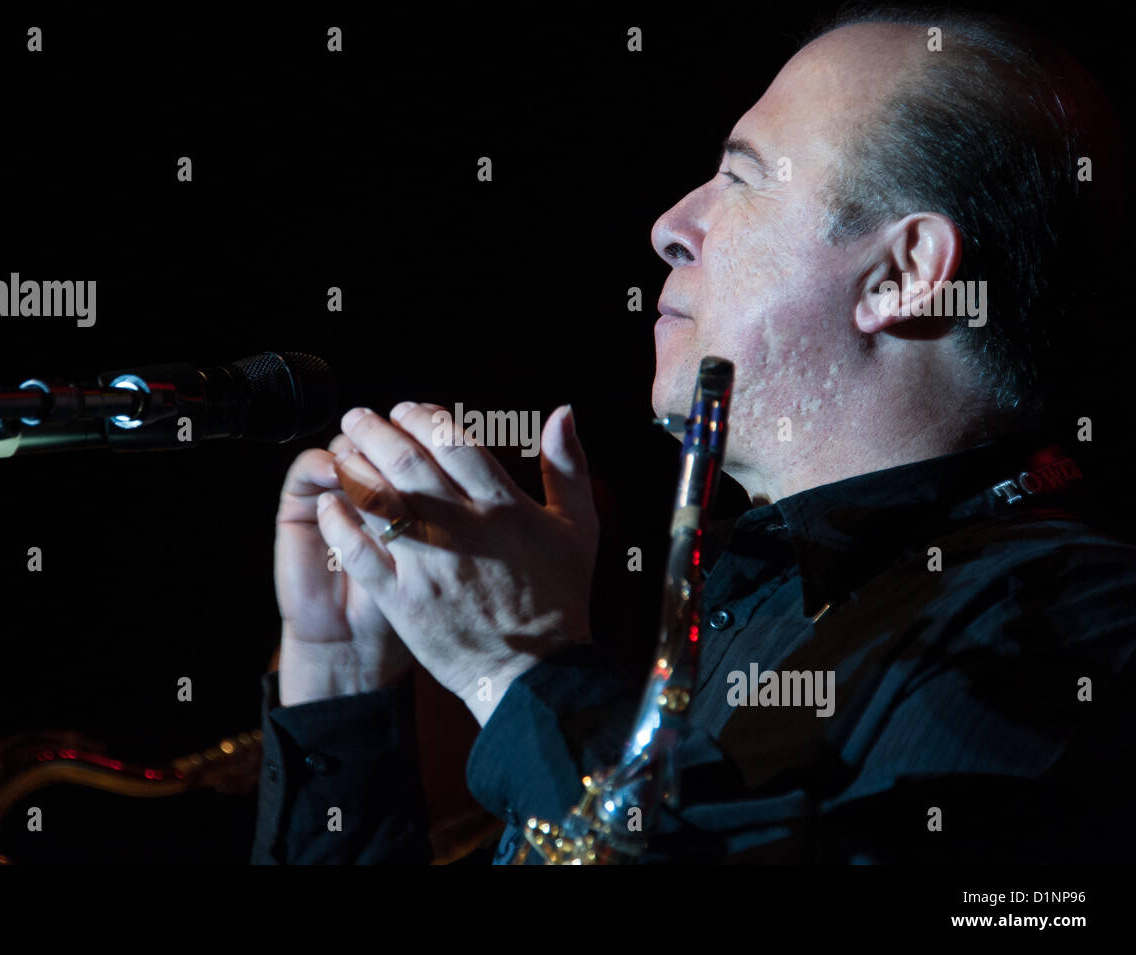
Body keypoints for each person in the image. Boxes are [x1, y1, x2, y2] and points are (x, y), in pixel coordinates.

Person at [252, 6, 1136, 864]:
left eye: (741, 181)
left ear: (901, 273)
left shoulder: (1070, 619)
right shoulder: (745, 611)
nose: (671, 228)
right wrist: (339, 703)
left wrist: (522, 669)